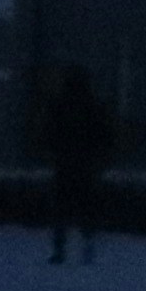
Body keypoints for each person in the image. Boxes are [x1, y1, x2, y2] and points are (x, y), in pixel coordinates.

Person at [38, 62, 115, 265]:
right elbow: (104, 135)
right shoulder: (92, 105)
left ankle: (60, 248)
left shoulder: (59, 105)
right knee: (86, 206)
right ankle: (87, 243)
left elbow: (48, 133)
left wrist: (52, 151)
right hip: (85, 164)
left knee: (61, 208)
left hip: (64, 163)